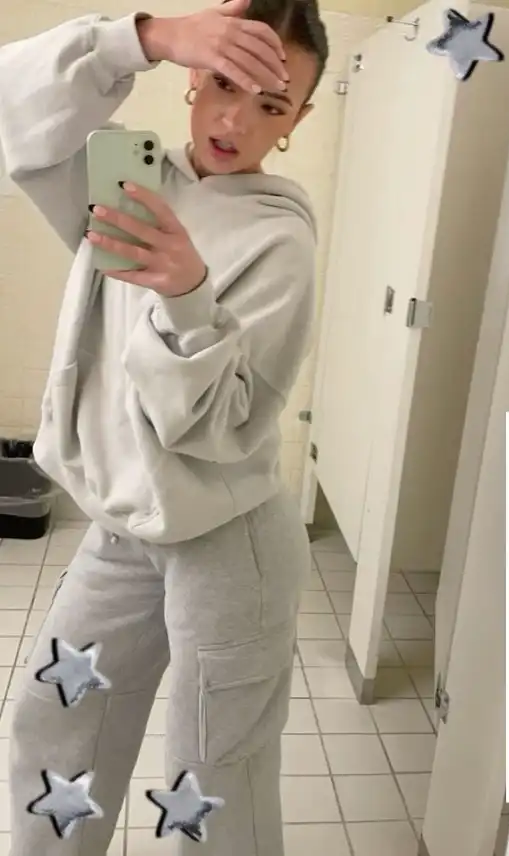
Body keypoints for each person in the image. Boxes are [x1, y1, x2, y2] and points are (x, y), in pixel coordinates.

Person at [0, 0, 328, 852]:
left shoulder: (280, 240)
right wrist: (142, 37)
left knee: (211, 773)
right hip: (124, 530)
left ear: (296, 121)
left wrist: (188, 297)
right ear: (192, 77)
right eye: (224, 82)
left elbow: (219, 427)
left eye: (271, 103)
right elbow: (13, 107)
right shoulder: (125, 182)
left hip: (227, 542)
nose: (235, 120)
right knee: (52, 719)